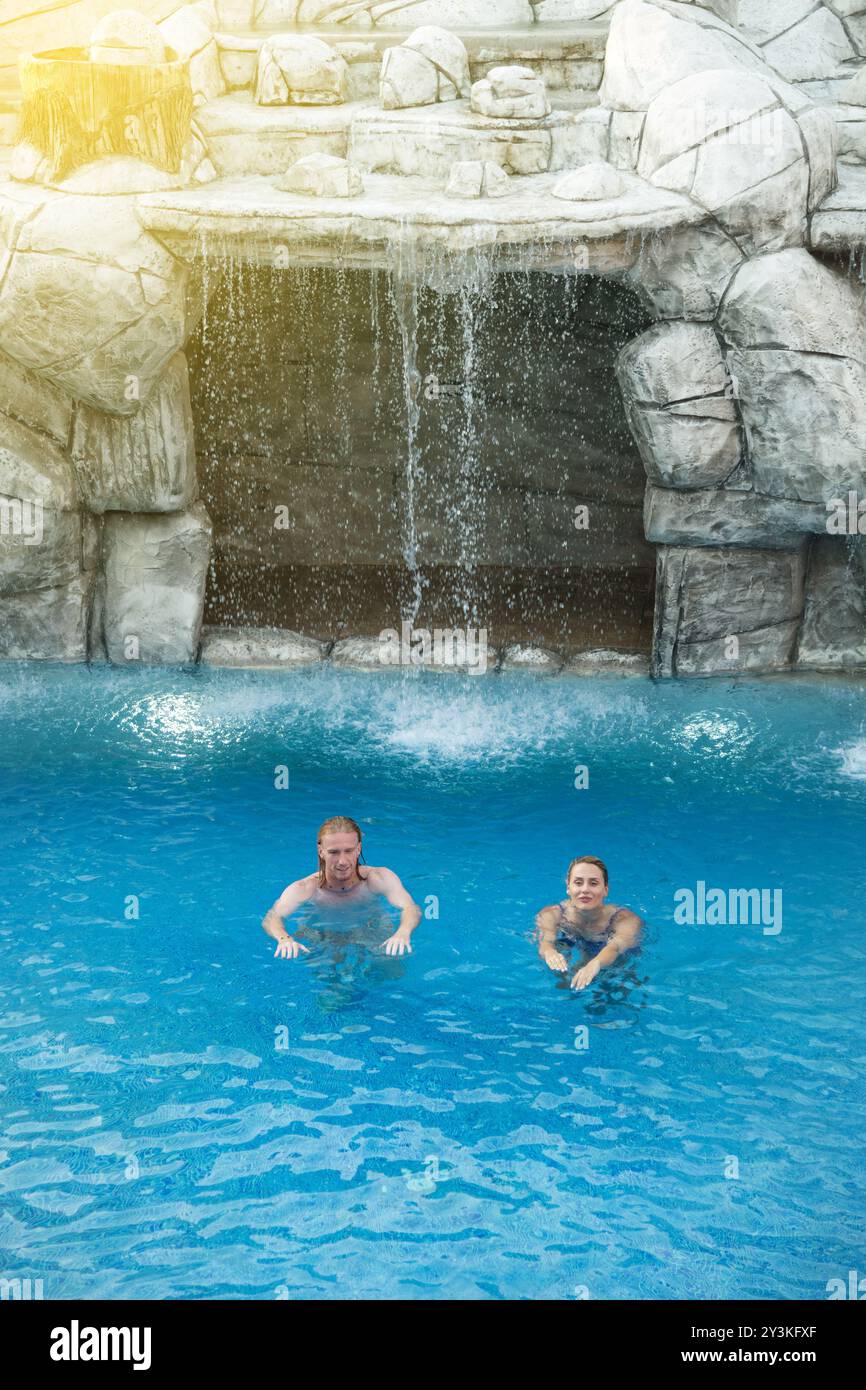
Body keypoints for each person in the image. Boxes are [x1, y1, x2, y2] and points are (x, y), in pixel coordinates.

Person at [262, 815, 421, 961]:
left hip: (370, 935)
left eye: (349, 851)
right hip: (324, 939)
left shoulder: (378, 878)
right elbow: (273, 918)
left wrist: (403, 932)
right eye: (334, 852)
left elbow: (410, 908)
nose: (342, 861)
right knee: (327, 980)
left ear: (358, 849)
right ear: (321, 851)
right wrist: (284, 939)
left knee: (392, 973)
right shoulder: (305, 888)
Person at [535, 856, 642, 991]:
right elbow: (545, 941)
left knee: (614, 989)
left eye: (593, 883)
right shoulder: (552, 914)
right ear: (568, 887)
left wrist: (596, 963)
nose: (585, 889)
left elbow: (615, 948)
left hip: (618, 959)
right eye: (578, 883)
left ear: (605, 889)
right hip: (576, 941)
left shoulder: (625, 919)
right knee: (564, 983)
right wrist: (550, 952)